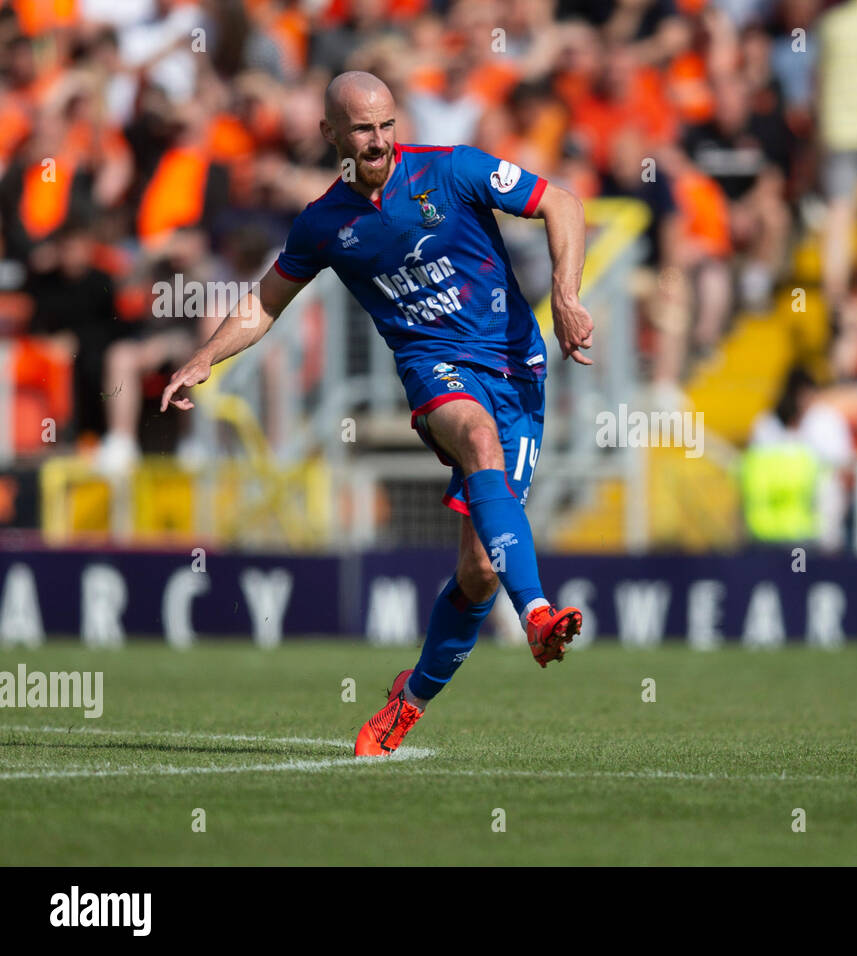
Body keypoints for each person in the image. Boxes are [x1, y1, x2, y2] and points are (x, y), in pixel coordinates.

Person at [159, 71, 595, 750]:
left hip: (518, 373)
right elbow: (264, 304)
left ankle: (409, 698)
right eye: (362, 128)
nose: (379, 140)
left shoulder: (454, 172)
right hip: (435, 372)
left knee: (479, 569)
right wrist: (203, 357)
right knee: (475, 437)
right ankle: (537, 613)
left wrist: (565, 295)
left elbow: (562, 203)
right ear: (331, 134)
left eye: (387, 124)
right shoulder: (324, 223)